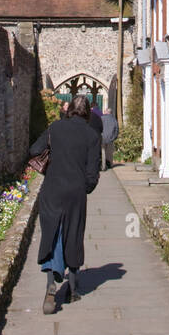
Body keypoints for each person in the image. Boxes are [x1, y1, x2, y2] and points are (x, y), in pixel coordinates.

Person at [29, 94, 100, 314]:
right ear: (87, 113)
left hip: (52, 189)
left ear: (69, 110)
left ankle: (51, 286)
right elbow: (92, 174)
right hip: (75, 192)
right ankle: (72, 288)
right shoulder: (92, 135)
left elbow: (33, 151)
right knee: (73, 234)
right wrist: (84, 187)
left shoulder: (55, 128)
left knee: (52, 233)